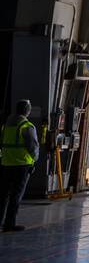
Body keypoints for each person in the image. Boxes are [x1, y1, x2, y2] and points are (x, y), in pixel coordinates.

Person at [0, 99, 39, 233]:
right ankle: (9, 224)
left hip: (6, 164)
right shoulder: (27, 126)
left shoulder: (6, 126)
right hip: (22, 165)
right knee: (16, 196)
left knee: (4, 195)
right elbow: (33, 147)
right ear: (27, 111)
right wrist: (34, 161)